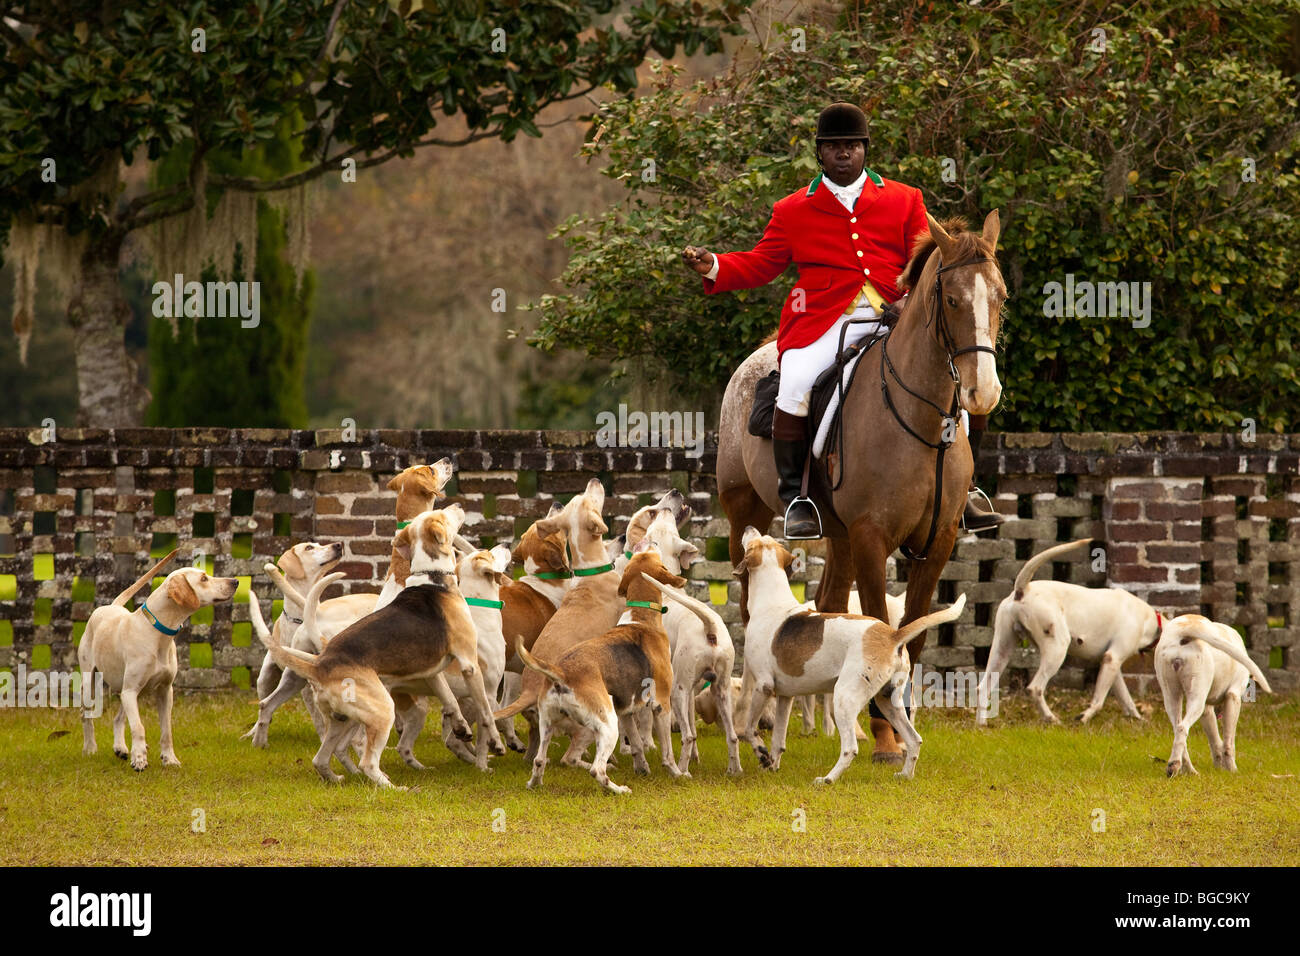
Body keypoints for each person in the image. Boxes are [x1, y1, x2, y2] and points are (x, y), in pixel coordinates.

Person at [683, 102, 1003, 539]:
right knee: (794, 384)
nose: (843, 154)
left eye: (851, 146)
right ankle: (797, 497)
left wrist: (908, 303)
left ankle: (967, 491)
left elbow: (922, 262)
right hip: (824, 320)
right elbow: (762, 264)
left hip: (895, 316)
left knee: (961, 381)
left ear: (864, 149)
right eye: (834, 147)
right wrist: (715, 266)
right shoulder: (793, 208)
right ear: (820, 152)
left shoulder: (904, 198)